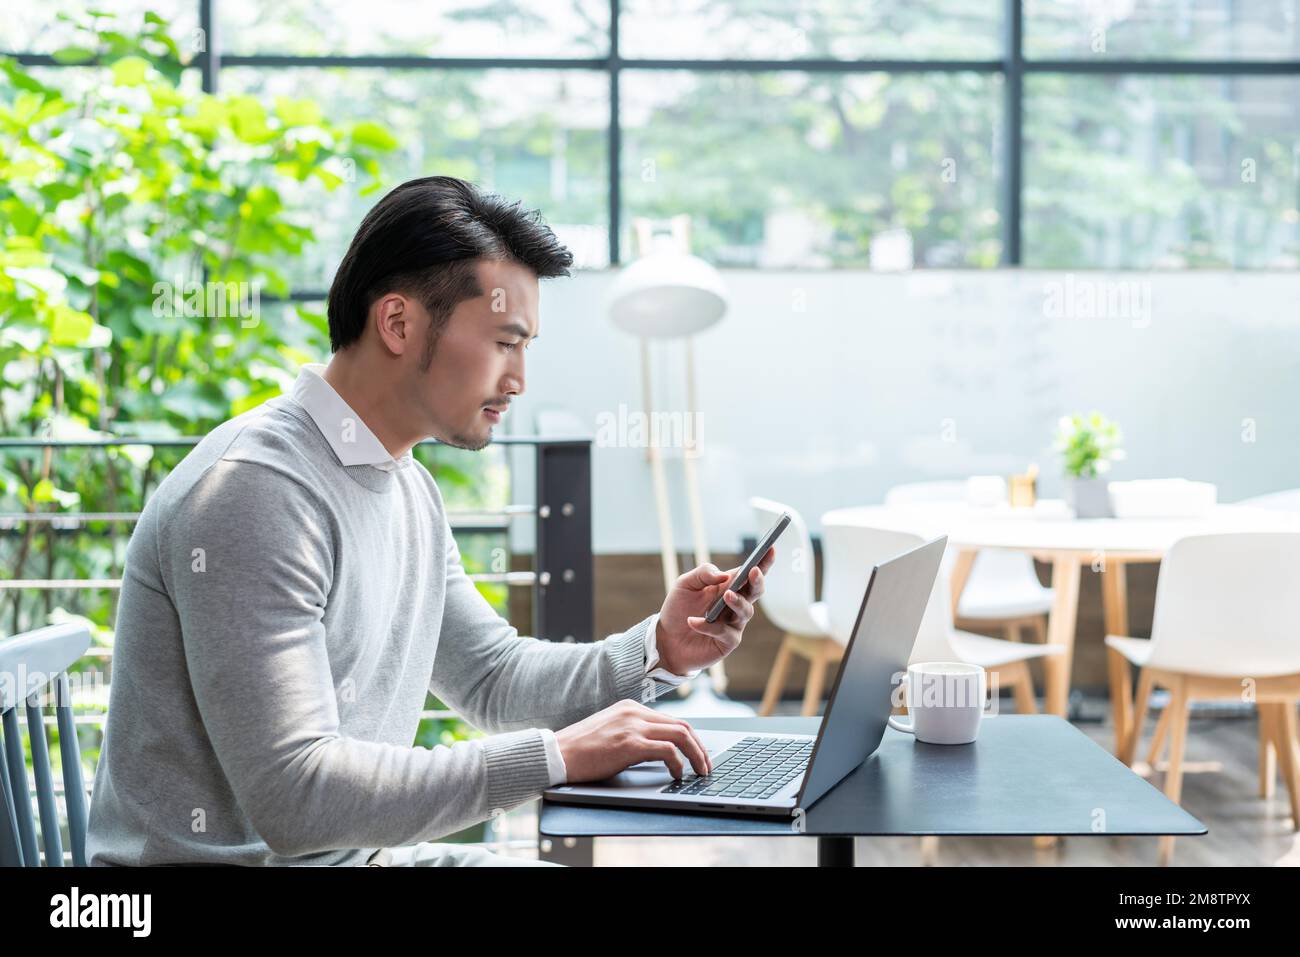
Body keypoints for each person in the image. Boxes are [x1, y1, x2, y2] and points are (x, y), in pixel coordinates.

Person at [86, 176, 773, 866]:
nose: (519, 379)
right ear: (398, 323)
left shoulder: (404, 482)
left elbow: (491, 678)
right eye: (506, 341)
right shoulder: (253, 494)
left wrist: (659, 646)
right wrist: (555, 757)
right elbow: (295, 796)